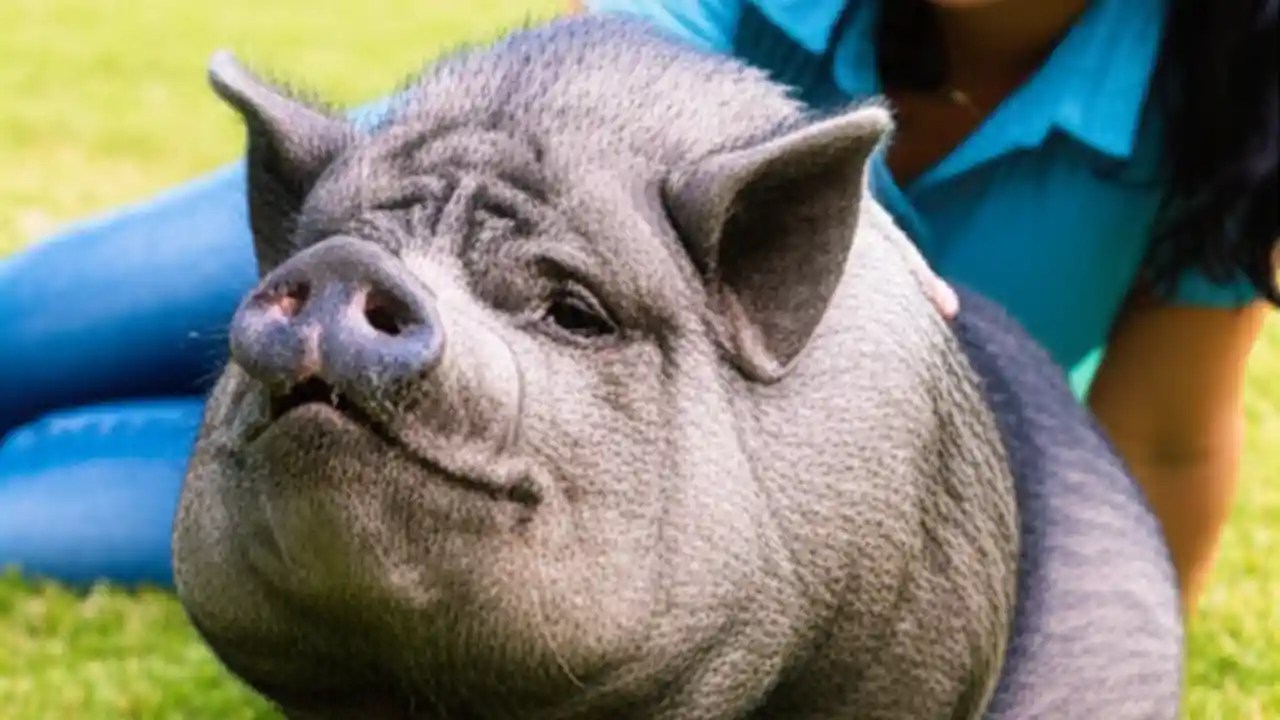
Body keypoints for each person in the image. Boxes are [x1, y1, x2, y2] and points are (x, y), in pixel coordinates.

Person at [0, 0, 1275, 617]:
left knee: (46, 520)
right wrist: (809, 195)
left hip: (576, 461)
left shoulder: (1228, 101)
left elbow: (1159, 440)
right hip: (403, 227)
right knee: (30, 325)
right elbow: (586, 53)